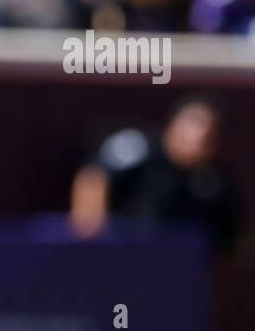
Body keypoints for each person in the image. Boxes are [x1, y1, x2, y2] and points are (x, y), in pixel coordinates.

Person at [69, 95, 243, 253]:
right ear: (171, 127)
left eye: (204, 141)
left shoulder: (214, 183)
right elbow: (93, 177)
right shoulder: (138, 148)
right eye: (185, 137)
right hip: (120, 252)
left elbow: (231, 242)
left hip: (175, 266)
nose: (192, 147)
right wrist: (92, 241)